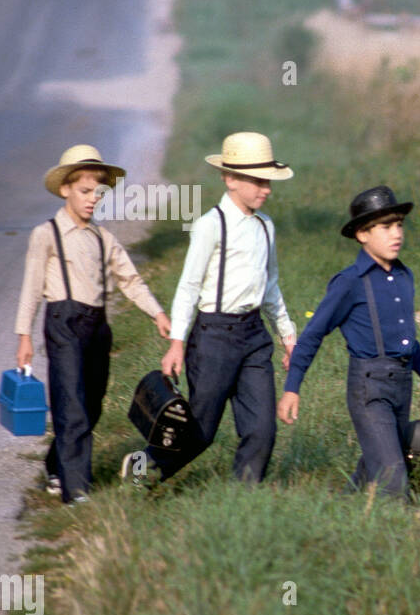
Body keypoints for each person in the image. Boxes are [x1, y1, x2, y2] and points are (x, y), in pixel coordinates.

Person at [123, 132, 297, 485]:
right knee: (200, 430)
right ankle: (142, 468)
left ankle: (242, 500)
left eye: (268, 181)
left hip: (254, 338)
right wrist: (177, 342)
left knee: (262, 429)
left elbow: (271, 287)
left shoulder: (266, 227)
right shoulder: (209, 226)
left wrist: (288, 336)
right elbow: (188, 286)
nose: (266, 189)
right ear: (231, 179)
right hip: (213, 338)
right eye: (258, 180)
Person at [16, 145, 171, 503]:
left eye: (98, 193)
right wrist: (23, 335)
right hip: (63, 324)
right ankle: (76, 490)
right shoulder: (47, 234)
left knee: (92, 405)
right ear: (66, 189)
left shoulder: (104, 239)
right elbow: (31, 287)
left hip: (97, 327)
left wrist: (158, 313)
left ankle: (56, 465)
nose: (92, 200)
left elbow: (130, 281)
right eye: (85, 192)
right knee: (70, 404)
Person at [277, 186, 420, 495]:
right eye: (386, 226)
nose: (396, 233)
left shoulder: (403, 276)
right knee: (393, 477)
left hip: (401, 385)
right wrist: (292, 388)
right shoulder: (350, 282)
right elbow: (313, 335)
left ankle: (340, 513)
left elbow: (406, 340)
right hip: (368, 387)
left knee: (377, 464)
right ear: (362, 234)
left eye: (399, 224)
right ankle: (400, 536)